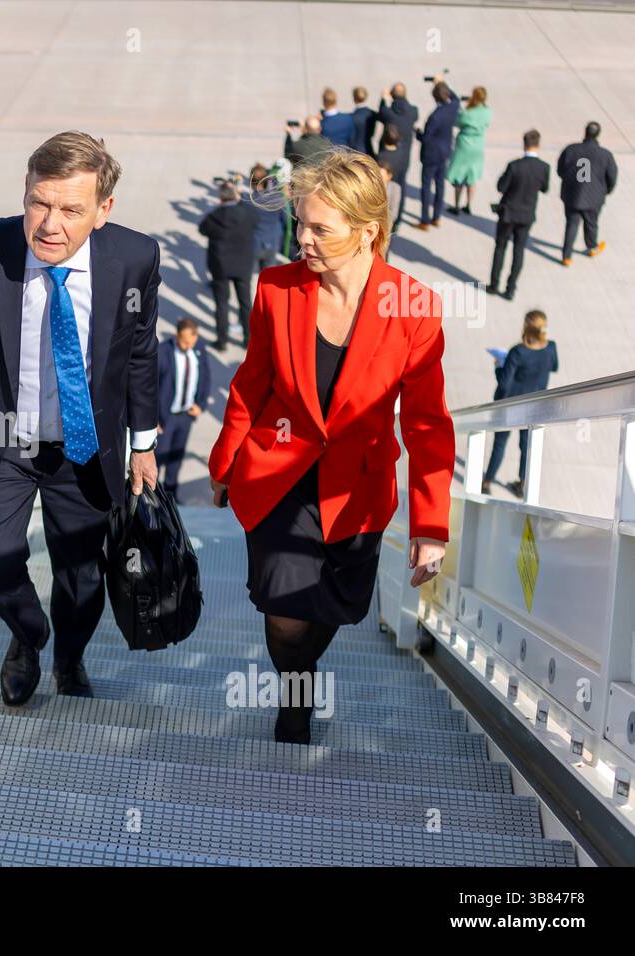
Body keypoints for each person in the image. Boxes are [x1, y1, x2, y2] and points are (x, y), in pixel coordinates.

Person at [0, 131, 160, 706]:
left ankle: (70, 656)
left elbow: (141, 351)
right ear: (24, 192)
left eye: (71, 210)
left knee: (83, 576)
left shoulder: (135, 260)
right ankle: (28, 635)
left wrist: (143, 441)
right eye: (39, 203)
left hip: (85, 448)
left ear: (103, 211)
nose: (50, 224)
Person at [207, 149, 456, 744]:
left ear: (368, 231)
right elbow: (252, 382)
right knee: (286, 616)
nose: (303, 241)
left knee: (335, 608)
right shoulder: (276, 288)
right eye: (300, 224)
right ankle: (296, 698)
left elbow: (426, 423)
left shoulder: (413, 307)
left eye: (320, 228)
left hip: (357, 489)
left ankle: (304, 671)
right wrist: (225, 461)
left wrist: (431, 525)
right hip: (278, 477)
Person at [483, 312, 558, 499]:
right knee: (526, 446)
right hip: (533, 405)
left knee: (500, 444)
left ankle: (487, 481)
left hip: (510, 405)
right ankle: (522, 484)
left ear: (526, 326)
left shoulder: (518, 352)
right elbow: (554, 366)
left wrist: (499, 365)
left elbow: (504, 383)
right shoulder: (551, 348)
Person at [489, 129, 549, 302]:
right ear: (538, 145)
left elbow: (501, 187)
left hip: (508, 213)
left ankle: (494, 284)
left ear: (524, 144)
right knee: (519, 251)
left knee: (500, 248)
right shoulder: (544, 167)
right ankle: (510, 289)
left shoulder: (514, 166)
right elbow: (545, 188)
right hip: (527, 215)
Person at [199, 181, 260, 351]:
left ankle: (222, 340)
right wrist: (241, 199)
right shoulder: (247, 214)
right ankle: (248, 339)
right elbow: (257, 218)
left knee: (221, 303)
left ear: (220, 197)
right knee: (245, 302)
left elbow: (202, 229)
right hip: (243, 265)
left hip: (220, 266)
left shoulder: (214, 216)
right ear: (236, 195)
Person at [155, 318, 209, 500]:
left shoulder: (199, 349)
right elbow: (151, 386)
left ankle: (172, 495)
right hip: (165, 417)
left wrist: (201, 405)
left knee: (176, 458)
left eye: (191, 342)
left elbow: (205, 378)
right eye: (184, 341)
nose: (187, 346)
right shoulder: (163, 352)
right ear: (177, 335)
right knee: (158, 457)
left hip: (186, 416)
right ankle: (153, 497)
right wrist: (152, 418)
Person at [557, 122, 618, 265]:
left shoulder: (571, 150)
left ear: (585, 133)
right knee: (591, 223)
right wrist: (606, 191)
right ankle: (592, 247)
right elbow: (612, 177)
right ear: (598, 135)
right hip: (594, 196)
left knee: (571, 225)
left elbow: (560, 171)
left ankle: (566, 256)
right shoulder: (605, 154)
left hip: (572, 195)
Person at [415, 75, 460, 230]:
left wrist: (418, 133)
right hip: (445, 151)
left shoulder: (435, 116)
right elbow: (455, 97)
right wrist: (442, 82)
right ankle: (437, 217)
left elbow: (426, 138)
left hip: (431, 154)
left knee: (426, 186)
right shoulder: (453, 106)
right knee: (440, 185)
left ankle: (425, 219)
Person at [377, 84, 419, 226]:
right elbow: (414, 113)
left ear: (393, 96)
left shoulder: (388, 113)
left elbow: (381, 112)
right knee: (400, 187)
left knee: (384, 188)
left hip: (386, 158)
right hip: (404, 157)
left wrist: (383, 98)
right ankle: (397, 218)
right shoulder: (413, 111)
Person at [447, 86, 492, 216]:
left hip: (465, 144)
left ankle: (456, 205)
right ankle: (468, 204)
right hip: (478, 144)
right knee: (472, 176)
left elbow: (457, 122)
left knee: (459, 175)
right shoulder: (487, 111)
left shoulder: (467, 112)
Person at [250, 163, 288, 274]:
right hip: (273, 242)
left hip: (254, 243)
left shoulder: (248, 200)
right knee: (270, 274)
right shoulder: (278, 198)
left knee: (254, 274)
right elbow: (285, 220)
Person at [349, 87, 378, 157]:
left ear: (354, 98)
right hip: (369, 150)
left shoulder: (351, 117)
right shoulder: (373, 114)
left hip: (355, 152)